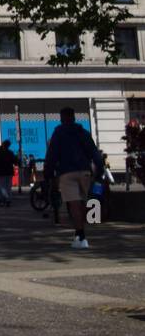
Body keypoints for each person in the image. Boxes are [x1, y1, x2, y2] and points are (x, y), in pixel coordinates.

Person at [44, 107, 102, 250]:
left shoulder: (58, 133)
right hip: (84, 171)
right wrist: (99, 170)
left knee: (74, 204)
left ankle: (80, 235)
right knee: (82, 201)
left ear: (62, 118)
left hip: (67, 172)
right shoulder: (84, 133)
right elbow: (94, 152)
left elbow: (52, 154)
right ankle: (81, 229)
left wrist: (48, 172)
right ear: (74, 117)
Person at [0, 139, 16, 206]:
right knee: (8, 186)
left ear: (3, 145)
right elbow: (14, 160)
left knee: (2, 186)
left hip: (1, 172)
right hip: (9, 171)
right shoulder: (10, 152)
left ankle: (5, 199)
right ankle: (8, 199)